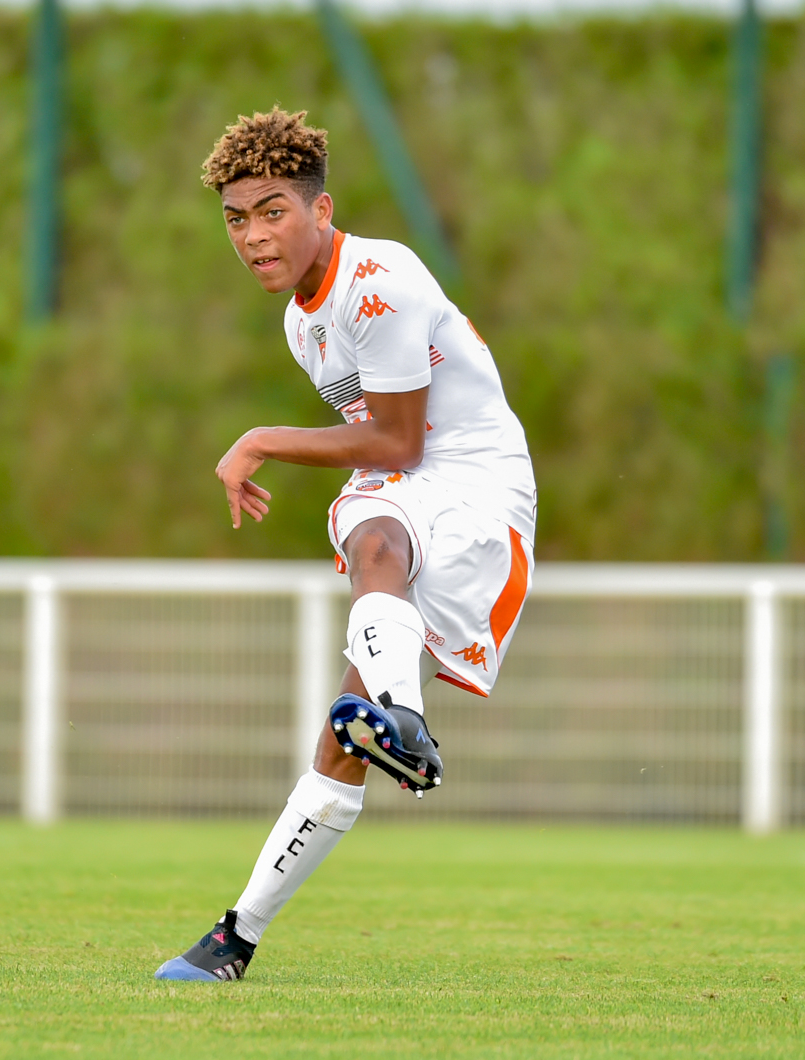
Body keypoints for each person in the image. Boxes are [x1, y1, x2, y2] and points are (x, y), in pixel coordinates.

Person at [154, 109, 537, 981]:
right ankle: (234, 939)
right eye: (236, 218)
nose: (254, 235)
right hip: (415, 484)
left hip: (477, 486)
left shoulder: (381, 279)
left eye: (273, 210)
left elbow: (399, 443)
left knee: (366, 526)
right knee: (340, 734)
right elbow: (389, 449)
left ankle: (401, 720)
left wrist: (260, 438)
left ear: (322, 212)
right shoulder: (302, 320)